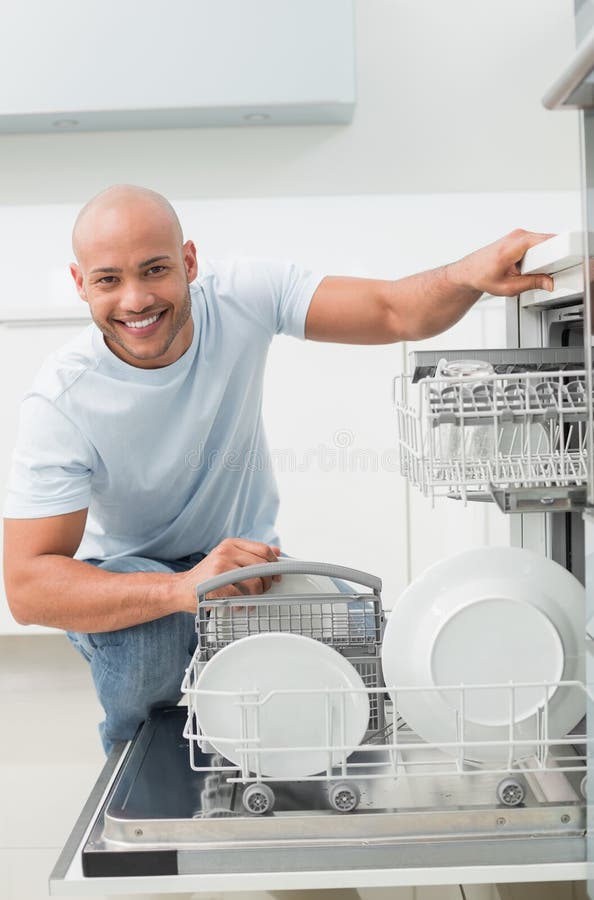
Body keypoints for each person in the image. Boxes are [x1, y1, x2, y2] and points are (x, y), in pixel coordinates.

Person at [2, 185, 554, 754]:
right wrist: (180, 589)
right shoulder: (63, 398)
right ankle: (140, 760)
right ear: (80, 284)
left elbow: (393, 310)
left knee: (355, 641)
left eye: (155, 269)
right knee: (154, 642)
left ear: (189, 262)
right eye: (108, 279)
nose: (136, 299)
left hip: (244, 556)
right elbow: (27, 586)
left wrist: (467, 273)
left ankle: (296, 770)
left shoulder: (243, 294)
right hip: (129, 577)